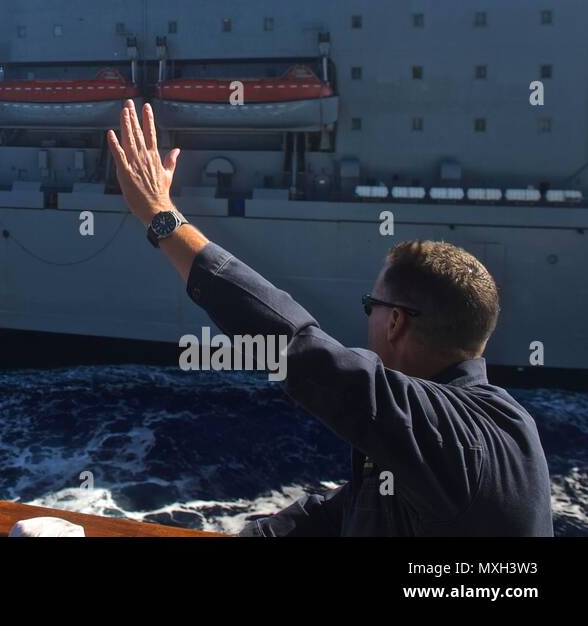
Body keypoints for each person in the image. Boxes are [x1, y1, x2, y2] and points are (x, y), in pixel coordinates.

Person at [107, 99, 553, 536]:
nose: (368, 319)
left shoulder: (446, 436)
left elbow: (297, 346)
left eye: (370, 306)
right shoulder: (492, 429)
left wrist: (160, 216)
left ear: (396, 322)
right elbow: (342, 513)